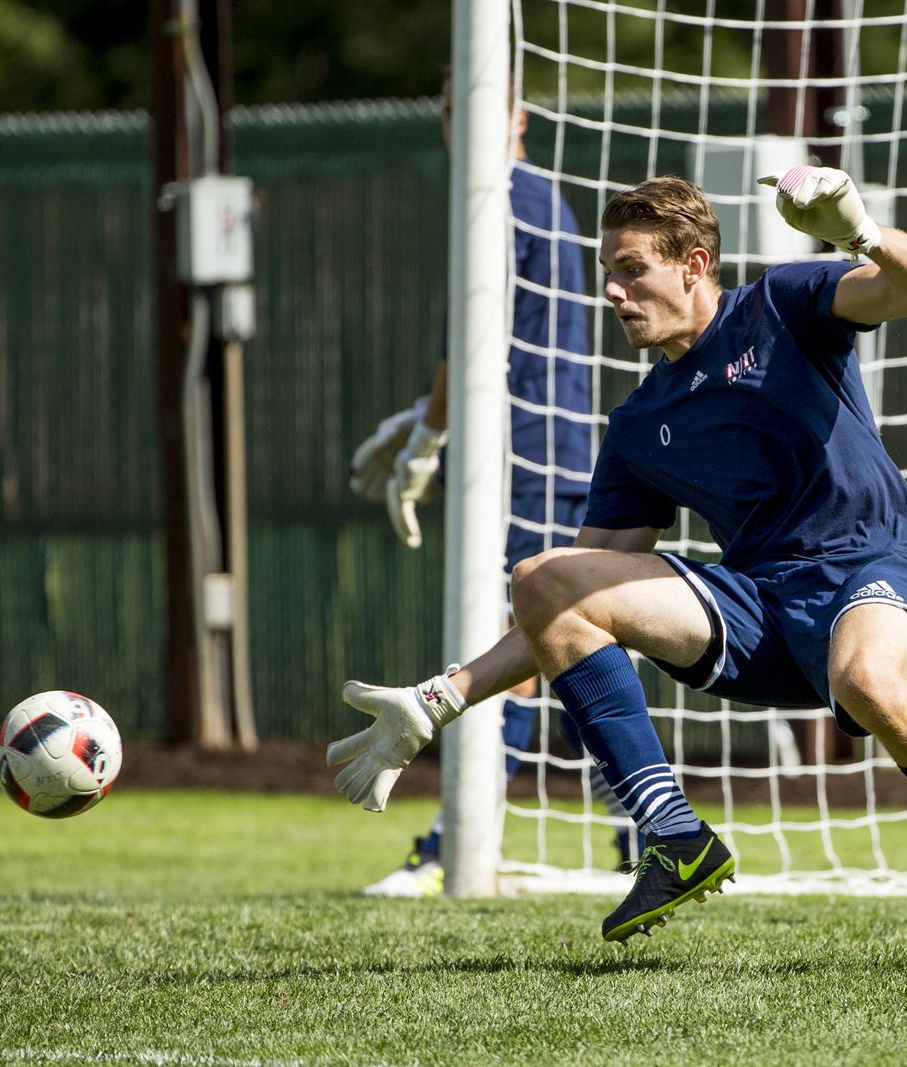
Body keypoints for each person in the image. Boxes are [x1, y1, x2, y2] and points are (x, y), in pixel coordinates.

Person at [330, 166, 907, 973]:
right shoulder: (637, 425)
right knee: (544, 575)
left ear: (693, 265)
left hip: (874, 572)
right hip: (758, 608)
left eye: (632, 269)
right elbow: (561, 609)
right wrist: (437, 700)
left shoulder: (783, 304)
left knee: (868, 678)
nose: (614, 292)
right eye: (608, 273)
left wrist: (859, 230)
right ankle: (673, 834)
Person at [347, 76, 638, 897]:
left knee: (529, 639)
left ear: (518, 119)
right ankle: (643, 822)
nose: (459, 128)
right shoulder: (539, 197)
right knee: (565, 638)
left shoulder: (504, 197)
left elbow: (471, 346)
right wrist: (424, 421)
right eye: (450, 113)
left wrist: (430, 435)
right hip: (546, 451)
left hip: (529, 459)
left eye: (474, 111)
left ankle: (455, 840)